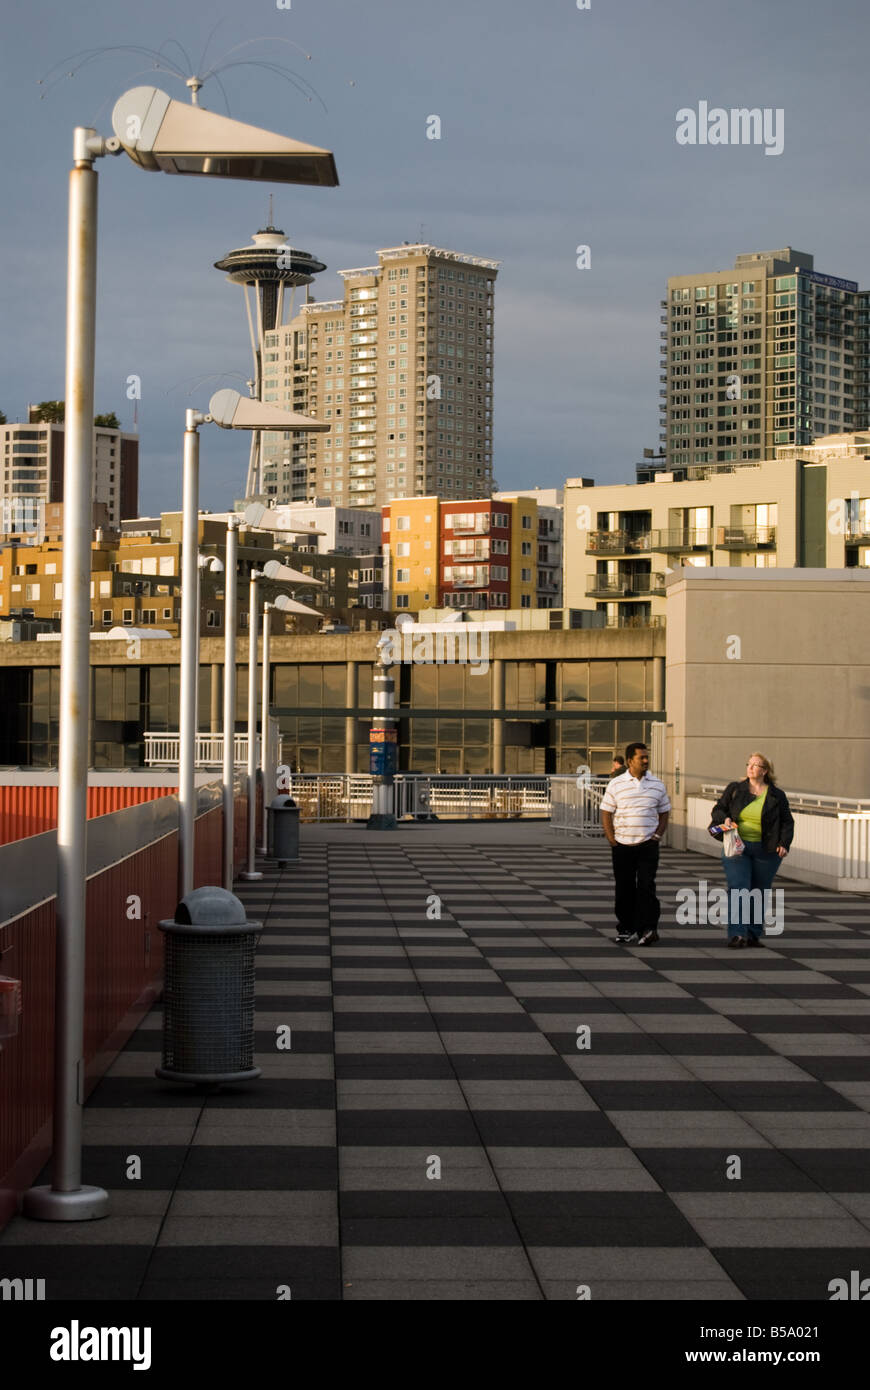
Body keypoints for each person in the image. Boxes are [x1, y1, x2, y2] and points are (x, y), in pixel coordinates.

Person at [708, 753, 793, 948]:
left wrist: (784, 843)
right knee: (739, 888)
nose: (750, 768)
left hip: (767, 849)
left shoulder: (776, 795)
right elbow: (718, 809)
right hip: (737, 846)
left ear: (765, 771)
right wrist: (725, 819)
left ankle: (753, 934)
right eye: (749, 764)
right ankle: (737, 934)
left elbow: (787, 821)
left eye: (756, 765)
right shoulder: (735, 789)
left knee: (759, 891)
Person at [600, 742, 670, 946]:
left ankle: (649, 928)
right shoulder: (616, 784)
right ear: (630, 761)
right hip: (622, 845)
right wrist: (611, 839)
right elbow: (606, 811)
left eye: (647, 757)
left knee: (646, 886)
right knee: (624, 888)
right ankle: (626, 927)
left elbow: (664, 812)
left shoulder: (657, 784)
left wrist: (657, 836)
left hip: (648, 845)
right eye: (642, 758)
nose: (646, 761)